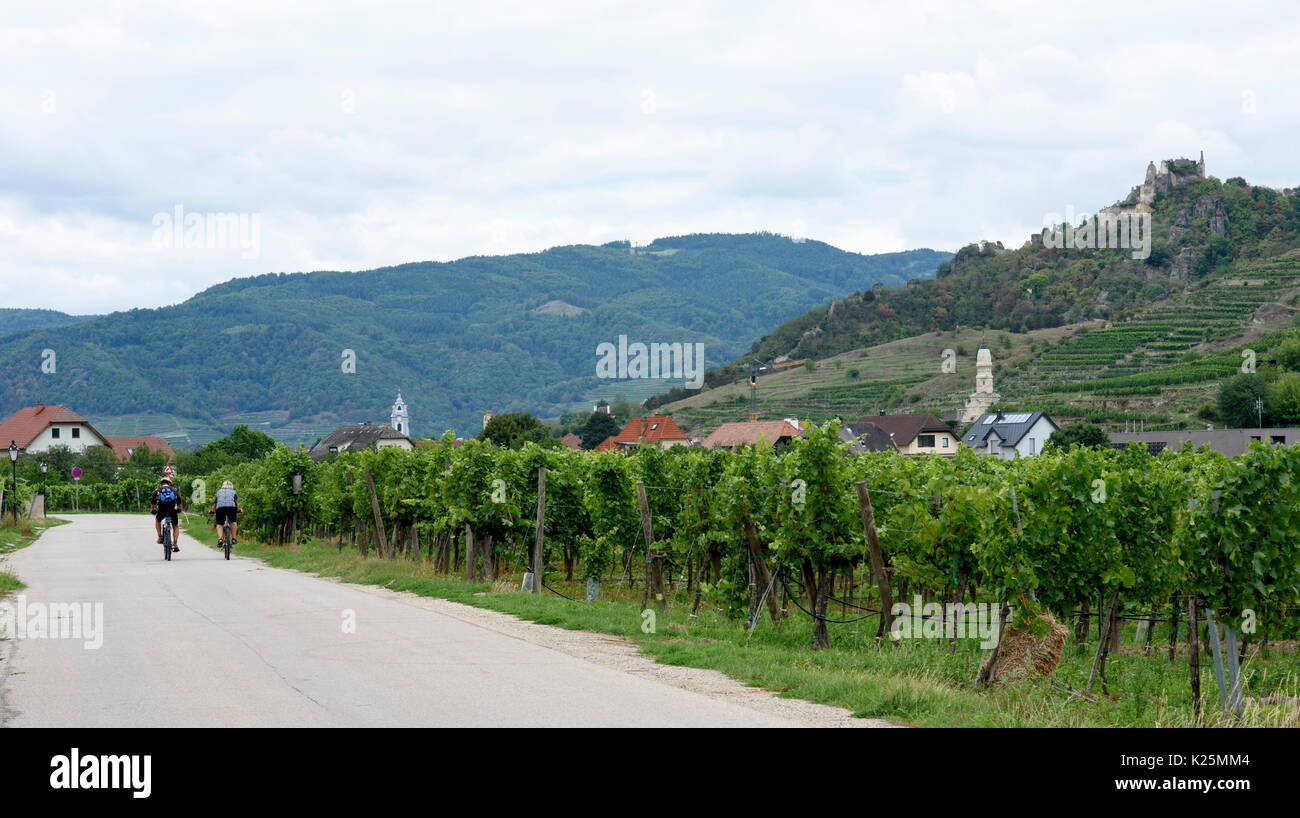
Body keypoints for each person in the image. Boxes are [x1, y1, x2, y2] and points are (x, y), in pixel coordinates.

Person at [151, 476, 184, 552]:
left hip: (161, 510)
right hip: (172, 511)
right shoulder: (174, 490)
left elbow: (152, 502)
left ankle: (160, 537)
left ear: (161, 483)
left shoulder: (157, 490)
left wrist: (153, 510)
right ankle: (175, 543)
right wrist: (179, 509)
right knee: (175, 526)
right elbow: (179, 502)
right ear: (169, 483)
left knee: (157, 520)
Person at [209, 480, 242, 548]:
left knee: (219, 524)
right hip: (231, 508)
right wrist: (238, 509)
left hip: (220, 508)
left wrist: (212, 510)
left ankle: (220, 539)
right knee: (233, 521)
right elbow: (236, 502)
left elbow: (215, 503)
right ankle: (233, 538)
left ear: (223, 485)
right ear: (231, 486)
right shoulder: (233, 492)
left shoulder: (219, 491)